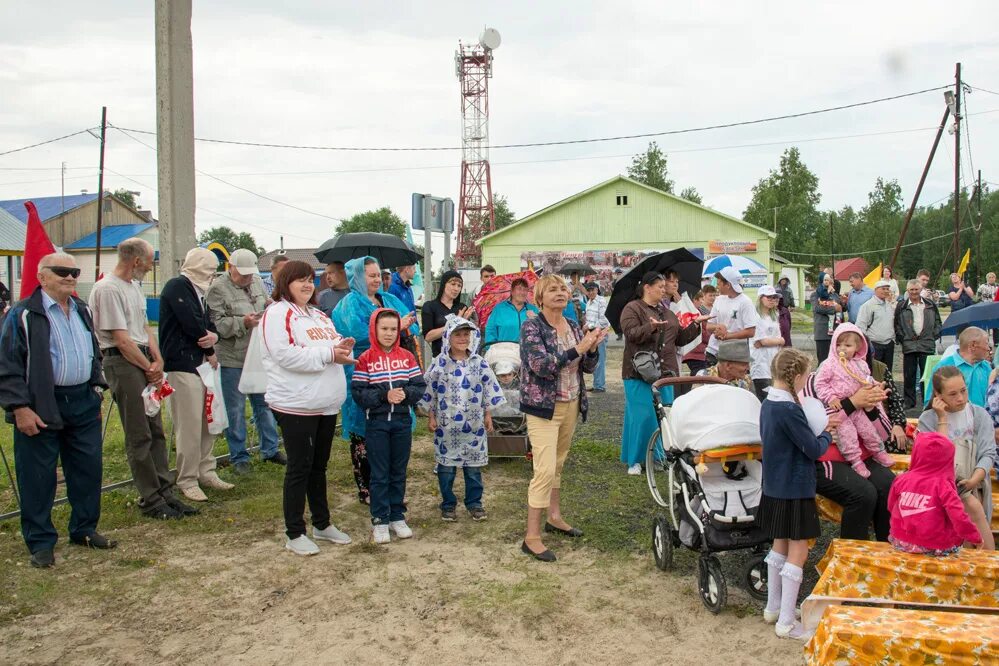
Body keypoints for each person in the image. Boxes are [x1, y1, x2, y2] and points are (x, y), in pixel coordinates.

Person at [0, 253, 115, 568]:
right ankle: (40, 543)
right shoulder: (23, 314)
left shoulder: (81, 309)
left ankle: (84, 529)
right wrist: (19, 407)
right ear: (42, 276)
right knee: (37, 477)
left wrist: (96, 389)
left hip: (82, 401)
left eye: (74, 271)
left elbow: (93, 353)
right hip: (41, 404)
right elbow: (8, 365)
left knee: (87, 469)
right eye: (62, 271)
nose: (70, 277)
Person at [90, 238, 195, 520]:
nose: (151, 267)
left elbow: (146, 329)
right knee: (140, 433)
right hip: (123, 363)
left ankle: (165, 491)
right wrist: (149, 366)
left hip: (145, 359)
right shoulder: (108, 289)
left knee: (156, 428)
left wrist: (157, 360)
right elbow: (121, 340)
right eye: (149, 261)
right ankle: (149, 497)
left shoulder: (134, 287)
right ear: (136, 261)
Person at [260, 260, 354, 556]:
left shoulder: (317, 315)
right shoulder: (277, 313)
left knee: (318, 467)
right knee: (299, 467)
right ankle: (294, 531)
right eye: (299, 280)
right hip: (295, 403)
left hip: (325, 403)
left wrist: (342, 347)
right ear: (285, 283)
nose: (306, 285)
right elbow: (284, 354)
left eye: (310, 280)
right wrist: (329, 354)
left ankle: (322, 523)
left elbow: (331, 345)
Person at [519, 274, 605, 561]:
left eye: (563, 289)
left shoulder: (572, 326)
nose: (560, 293)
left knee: (557, 464)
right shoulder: (532, 326)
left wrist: (591, 350)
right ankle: (531, 537)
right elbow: (541, 366)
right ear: (540, 297)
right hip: (544, 408)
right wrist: (578, 349)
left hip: (571, 402)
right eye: (552, 289)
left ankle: (554, 517)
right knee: (543, 469)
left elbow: (587, 368)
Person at [759, 348, 835, 640]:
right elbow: (814, 449)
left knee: (779, 544)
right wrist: (827, 433)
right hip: (795, 486)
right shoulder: (789, 409)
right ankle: (787, 620)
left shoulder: (768, 402)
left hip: (774, 485)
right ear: (799, 376)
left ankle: (773, 607)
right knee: (798, 549)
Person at [332, 256, 418, 504]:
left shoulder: (388, 298)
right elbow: (356, 334)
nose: (377, 279)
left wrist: (405, 325)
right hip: (364, 368)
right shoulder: (348, 305)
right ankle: (367, 488)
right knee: (364, 427)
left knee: (393, 423)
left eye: (378, 274)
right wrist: (397, 326)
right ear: (357, 277)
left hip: (394, 367)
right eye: (370, 275)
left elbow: (409, 321)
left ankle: (391, 484)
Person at [159, 248, 232, 503]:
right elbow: (192, 325)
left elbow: (209, 325)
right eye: (210, 269)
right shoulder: (177, 286)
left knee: (208, 420)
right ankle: (187, 479)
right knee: (189, 425)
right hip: (183, 365)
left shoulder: (200, 292)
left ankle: (206, 469)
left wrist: (214, 337)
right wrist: (211, 347)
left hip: (201, 365)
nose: (213, 274)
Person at [205, 248, 283, 475]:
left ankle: (270, 449)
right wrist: (243, 323)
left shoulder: (257, 282)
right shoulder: (217, 289)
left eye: (251, 274)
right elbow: (217, 324)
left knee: (264, 403)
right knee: (236, 409)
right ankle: (239, 456)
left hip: (258, 354)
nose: (248, 278)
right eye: (244, 274)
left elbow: (265, 303)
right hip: (232, 357)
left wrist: (270, 308)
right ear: (231, 268)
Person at [351, 309, 426, 544]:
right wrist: (385, 396)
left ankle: (397, 515)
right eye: (384, 328)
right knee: (380, 472)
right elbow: (359, 392)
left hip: (402, 422)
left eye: (393, 329)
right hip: (377, 424)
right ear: (374, 329)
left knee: (398, 470)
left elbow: (419, 386)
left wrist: (404, 394)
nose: (389, 333)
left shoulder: (407, 356)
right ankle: (380, 519)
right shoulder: (365, 359)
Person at [421, 315, 505, 522]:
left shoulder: (479, 363)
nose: (462, 338)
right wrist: (430, 415)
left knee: (473, 469)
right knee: (446, 469)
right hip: (446, 427)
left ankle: (474, 503)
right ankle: (448, 504)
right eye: (457, 334)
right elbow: (430, 391)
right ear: (449, 336)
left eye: (466, 334)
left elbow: (488, 391)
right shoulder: (439, 364)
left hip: (474, 427)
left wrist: (488, 415)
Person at [621, 272, 706, 474]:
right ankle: (635, 460)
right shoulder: (632, 308)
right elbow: (631, 334)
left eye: (663, 286)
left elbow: (679, 339)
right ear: (647, 288)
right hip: (639, 372)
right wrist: (650, 327)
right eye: (659, 286)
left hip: (665, 373)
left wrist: (696, 325)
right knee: (641, 416)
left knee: (663, 417)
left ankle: (658, 457)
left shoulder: (666, 312)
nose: (663, 289)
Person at [805, 375, 898, 542]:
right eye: (840, 346)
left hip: (864, 455)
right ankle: (853, 560)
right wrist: (853, 403)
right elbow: (817, 424)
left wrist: (871, 409)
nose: (846, 353)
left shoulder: (866, 382)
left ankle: (885, 551)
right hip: (827, 458)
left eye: (852, 348)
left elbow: (884, 434)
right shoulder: (815, 381)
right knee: (864, 494)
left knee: (890, 486)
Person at [918, 366, 995, 550]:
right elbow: (935, 458)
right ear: (938, 394)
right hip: (940, 485)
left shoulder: (979, 415)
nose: (960, 398)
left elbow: (988, 453)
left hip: (974, 482)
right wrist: (942, 418)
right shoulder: (927, 419)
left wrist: (974, 479)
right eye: (952, 394)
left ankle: (988, 567)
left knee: (974, 510)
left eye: (963, 390)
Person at [814, 324, 895, 477]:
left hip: (859, 409)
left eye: (847, 345)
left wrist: (874, 385)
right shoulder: (828, 365)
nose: (841, 348)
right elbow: (819, 384)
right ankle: (856, 461)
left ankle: (878, 451)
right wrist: (830, 397)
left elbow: (866, 379)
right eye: (838, 344)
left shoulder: (861, 364)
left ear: (858, 347)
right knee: (847, 435)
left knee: (868, 430)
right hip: (840, 408)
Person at [887, 431, 983, 556]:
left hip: (900, 541)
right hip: (934, 546)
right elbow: (959, 517)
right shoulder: (944, 486)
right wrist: (975, 538)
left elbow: (890, 506)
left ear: (916, 453)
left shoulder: (902, 478)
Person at [895, 278, 942, 409]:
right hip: (909, 344)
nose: (914, 292)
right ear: (907, 290)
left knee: (927, 376)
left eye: (916, 289)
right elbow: (897, 325)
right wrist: (903, 338)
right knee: (909, 375)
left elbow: (938, 322)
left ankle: (928, 401)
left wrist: (933, 335)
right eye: (911, 290)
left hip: (926, 344)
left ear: (920, 290)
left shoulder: (930, 305)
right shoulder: (901, 306)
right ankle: (909, 402)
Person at [924, 326, 993, 407]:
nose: (988, 348)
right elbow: (930, 403)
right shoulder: (944, 367)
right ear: (973, 345)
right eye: (986, 343)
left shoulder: (986, 367)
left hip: (983, 418)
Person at [704, 266, 758, 367]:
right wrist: (718, 327)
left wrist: (727, 336)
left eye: (719, 284)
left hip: (735, 354)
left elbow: (751, 331)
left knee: (731, 383)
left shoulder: (745, 302)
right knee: (712, 381)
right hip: (713, 351)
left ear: (728, 285)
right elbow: (708, 326)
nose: (717, 287)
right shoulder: (719, 299)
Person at [423, 270, 474, 357]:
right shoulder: (430, 306)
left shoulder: (462, 307)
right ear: (443, 285)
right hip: (440, 358)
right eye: (453, 284)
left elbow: (467, 334)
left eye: (459, 286)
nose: (456, 288)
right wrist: (454, 322)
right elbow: (428, 337)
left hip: (461, 357)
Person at [751, 286, 785, 400]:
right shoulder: (755, 316)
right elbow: (762, 341)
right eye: (769, 297)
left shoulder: (774, 315)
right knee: (764, 397)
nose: (772, 300)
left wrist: (774, 341)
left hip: (773, 361)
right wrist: (778, 341)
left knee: (775, 396)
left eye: (774, 297)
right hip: (761, 363)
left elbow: (777, 339)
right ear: (761, 298)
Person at [856, 279, 896, 372]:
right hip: (874, 345)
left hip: (889, 345)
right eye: (883, 289)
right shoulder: (868, 306)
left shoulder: (889, 305)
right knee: (874, 372)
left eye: (887, 289)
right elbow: (860, 326)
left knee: (887, 372)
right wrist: (867, 345)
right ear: (876, 290)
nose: (886, 291)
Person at [683, 286, 716, 376]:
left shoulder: (712, 311)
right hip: (696, 352)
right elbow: (701, 333)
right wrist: (714, 335)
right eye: (710, 295)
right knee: (700, 376)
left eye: (714, 295)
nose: (713, 298)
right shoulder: (696, 313)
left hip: (701, 352)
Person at [584, 281, 610, 392]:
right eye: (588, 290)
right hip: (591, 332)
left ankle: (600, 386)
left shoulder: (601, 301)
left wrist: (589, 326)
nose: (590, 292)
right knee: (593, 358)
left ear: (597, 290)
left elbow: (604, 321)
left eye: (592, 290)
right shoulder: (588, 302)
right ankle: (596, 384)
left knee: (600, 359)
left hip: (599, 332)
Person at [810, 278, 843, 362]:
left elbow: (841, 307)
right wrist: (834, 309)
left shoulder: (835, 295)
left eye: (831, 282)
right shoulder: (815, 295)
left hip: (836, 332)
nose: (829, 284)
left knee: (836, 361)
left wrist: (844, 304)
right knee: (823, 362)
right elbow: (817, 308)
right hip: (823, 334)